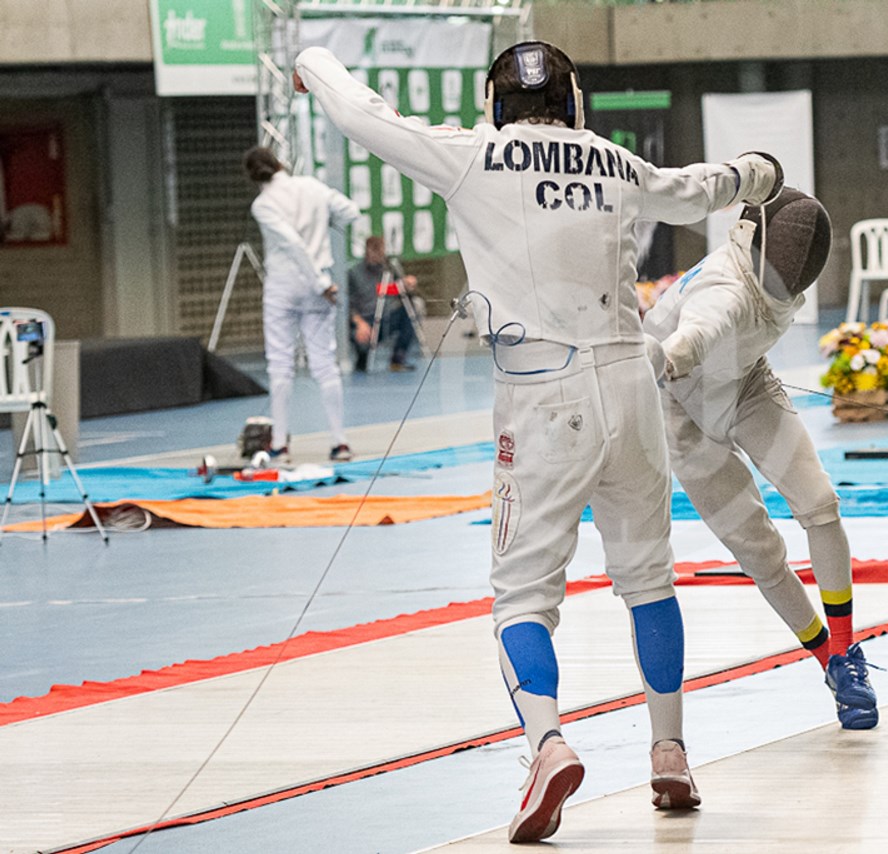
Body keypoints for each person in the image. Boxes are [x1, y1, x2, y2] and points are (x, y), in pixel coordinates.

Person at [293, 41, 782, 842]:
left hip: (542, 397)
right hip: (632, 386)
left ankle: (548, 745)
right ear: (575, 100)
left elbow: (361, 115)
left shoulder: (473, 155)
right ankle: (670, 752)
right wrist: (759, 173)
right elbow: (701, 192)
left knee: (523, 598)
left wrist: (313, 59)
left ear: (495, 104)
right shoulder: (613, 160)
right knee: (648, 581)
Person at [643, 188, 878, 730]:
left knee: (819, 503)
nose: (787, 280)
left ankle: (845, 656)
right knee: (758, 549)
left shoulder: (767, 275)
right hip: (678, 411)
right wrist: (666, 359)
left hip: (747, 384)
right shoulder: (724, 289)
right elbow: (699, 332)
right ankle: (827, 664)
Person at [244, 146, 359, 463]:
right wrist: (321, 280)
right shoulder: (312, 187)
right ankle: (340, 442)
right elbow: (351, 211)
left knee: (280, 367)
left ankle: (280, 445)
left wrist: (320, 283)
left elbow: (291, 243)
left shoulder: (263, 204)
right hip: (316, 287)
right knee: (325, 364)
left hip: (284, 289)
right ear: (280, 164)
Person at [348, 235, 417, 372]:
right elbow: (347, 305)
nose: (377, 254)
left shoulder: (389, 269)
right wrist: (360, 323)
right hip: (365, 321)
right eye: (374, 250)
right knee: (361, 343)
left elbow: (392, 290)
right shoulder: (353, 273)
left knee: (410, 312)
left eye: (380, 250)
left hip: (388, 316)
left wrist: (406, 283)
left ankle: (398, 359)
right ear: (366, 250)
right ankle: (362, 358)